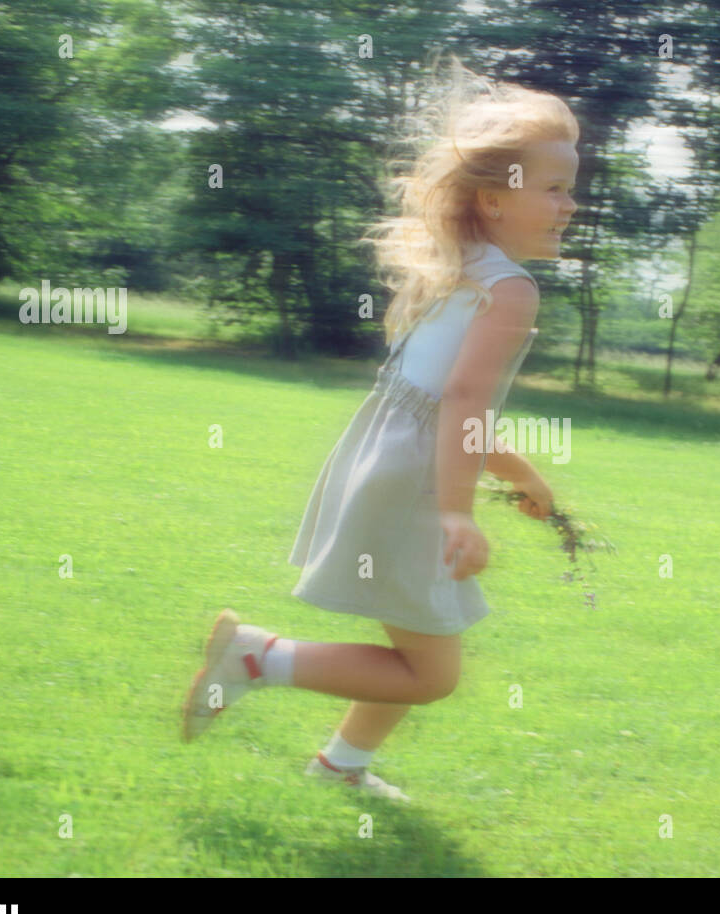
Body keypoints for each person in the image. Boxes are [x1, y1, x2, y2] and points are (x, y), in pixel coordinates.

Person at [181, 56, 580, 802]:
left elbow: (440, 408)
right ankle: (258, 657)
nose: (568, 206)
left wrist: (523, 475)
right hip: (416, 485)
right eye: (554, 189)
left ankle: (341, 765)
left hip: (389, 463)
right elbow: (461, 404)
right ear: (494, 201)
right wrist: (457, 510)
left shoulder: (461, 270)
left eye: (570, 190)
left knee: (417, 639)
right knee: (431, 670)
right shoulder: (511, 290)